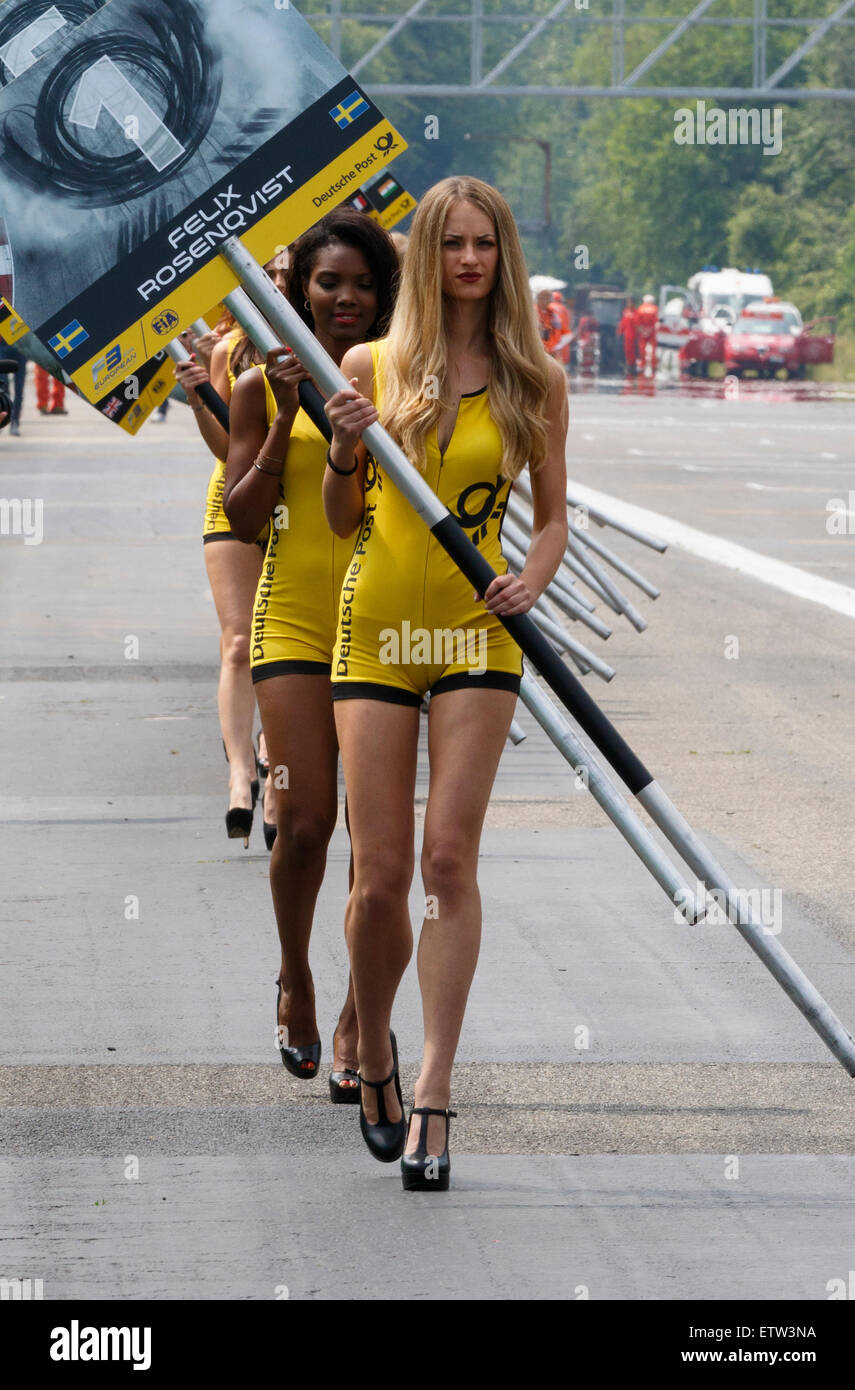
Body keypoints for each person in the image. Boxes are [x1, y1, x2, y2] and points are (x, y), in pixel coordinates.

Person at [322, 175, 568, 1187]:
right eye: (452, 243)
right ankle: (369, 1044)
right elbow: (342, 521)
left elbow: (550, 519)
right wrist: (342, 446)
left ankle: (431, 1086)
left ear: (501, 257)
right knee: (378, 877)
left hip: (475, 638)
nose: (469, 260)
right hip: (376, 632)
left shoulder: (535, 379)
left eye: (485, 243)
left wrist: (533, 577)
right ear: (424, 256)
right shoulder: (369, 364)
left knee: (448, 864)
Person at [224, 210, 400, 1102]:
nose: (345, 298)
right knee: (302, 826)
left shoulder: (405, 386)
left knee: (379, 846)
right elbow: (244, 516)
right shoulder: (261, 388)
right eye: (329, 282)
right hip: (291, 624)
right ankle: (296, 977)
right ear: (299, 290)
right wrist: (289, 412)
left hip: (388, 633)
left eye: (363, 284)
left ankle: (363, 1022)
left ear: (384, 297)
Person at [172, 260, 287, 850]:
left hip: (301, 504)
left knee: (284, 644)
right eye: (264, 270)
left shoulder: (330, 346)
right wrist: (198, 401)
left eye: (285, 270)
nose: (274, 279)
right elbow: (226, 450)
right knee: (239, 640)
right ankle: (241, 772)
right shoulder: (230, 350)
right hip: (236, 499)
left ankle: (276, 760)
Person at [0, 344, 26, 435]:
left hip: (20, 346)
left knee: (19, 389)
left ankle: (15, 421)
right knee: (2, 387)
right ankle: (3, 419)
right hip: (2, 345)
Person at [635, 293, 659, 375]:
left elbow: (637, 323)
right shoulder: (655, 309)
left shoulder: (640, 308)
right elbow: (656, 322)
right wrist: (649, 331)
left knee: (642, 349)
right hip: (651, 332)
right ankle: (653, 366)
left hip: (643, 332)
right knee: (653, 350)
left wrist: (643, 331)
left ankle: (642, 365)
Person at [616, 299, 637, 374]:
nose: (629, 304)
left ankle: (632, 366)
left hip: (634, 335)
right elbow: (623, 322)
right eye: (628, 302)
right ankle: (628, 364)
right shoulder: (625, 311)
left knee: (633, 351)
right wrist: (620, 331)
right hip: (626, 334)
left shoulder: (636, 312)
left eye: (631, 302)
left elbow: (637, 324)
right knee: (627, 350)